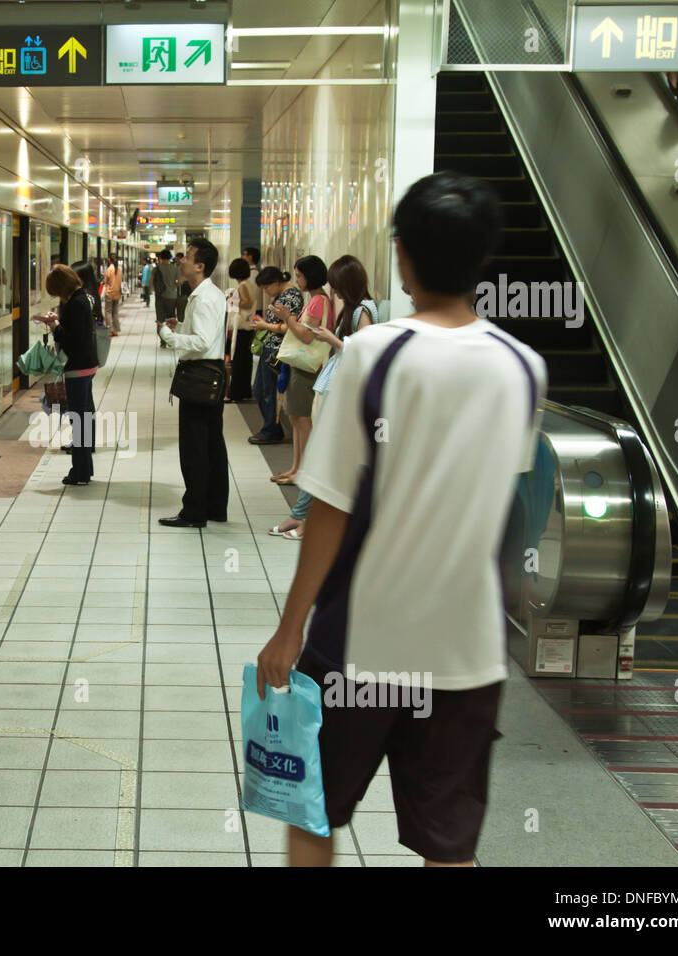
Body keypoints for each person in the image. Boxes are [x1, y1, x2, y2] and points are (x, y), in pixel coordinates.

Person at [256, 171, 547, 867]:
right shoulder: (523, 368)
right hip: (467, 653)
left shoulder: (373, 354)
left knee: (313, 817)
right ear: (483, 260)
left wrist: (288, 628)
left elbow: (329, 509)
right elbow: (502, 503)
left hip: (361, 645)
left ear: (404, 255)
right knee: (449, 844)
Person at [268, 254, 379, 540]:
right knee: (320, 454)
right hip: (335, 385)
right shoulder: (354, 309)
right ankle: (300, 515)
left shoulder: (361, 310)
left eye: (337, 285)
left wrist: (332, 340)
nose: (334, 291)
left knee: (324, 455)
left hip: (343, 388)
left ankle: (308, 519)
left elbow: (366, 350)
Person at [158, 238, 228, 528]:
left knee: (195, 447)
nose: (182, 261)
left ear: (200, 266)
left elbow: (201, 342)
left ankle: (194, 511)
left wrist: (168, 336)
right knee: (211, 444)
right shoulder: (205, 295)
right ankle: (214, 506)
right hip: (208, 374)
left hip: (200, 375)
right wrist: (182, 327)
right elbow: (202, 334)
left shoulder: (205, 298)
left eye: (187, 257)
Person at [269, 255, 333, 486]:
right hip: (302, 367)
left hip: (307, 368)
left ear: (310, 276)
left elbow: (306, 336)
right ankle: (296, 467)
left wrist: (288, 319)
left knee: (302, 419)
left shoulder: (318, 301)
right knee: (296, 418)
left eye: (299, 276)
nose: (296, 280)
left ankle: (302, 470)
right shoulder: (316, 300)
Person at [34, 265, 99, 485]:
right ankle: (85, 469)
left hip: (77, 368)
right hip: (87, 366)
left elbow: (71, 341)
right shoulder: (80, 299)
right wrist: (58, 322)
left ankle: (80, 473)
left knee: (78, 420)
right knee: (85, 416)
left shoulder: (75, 304)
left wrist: (54, 326)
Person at [247, 266, 292, 445]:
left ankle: (271, 430)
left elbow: (288, 326)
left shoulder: (290, 297)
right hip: (270, 348)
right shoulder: (281, 296)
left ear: (275, 282)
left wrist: (264, 325)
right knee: (261, 389)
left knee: (268, 391)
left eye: (266, 288)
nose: (266, 292)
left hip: (277, 350)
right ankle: (272, 427)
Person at [226, 257, 256, 403]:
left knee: (237, 360)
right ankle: (244, 390)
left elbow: (247, 302)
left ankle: (235, 392)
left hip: (242, 326)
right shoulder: (249, 284)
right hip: (248, 327)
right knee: (245, 360)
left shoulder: (243, 285)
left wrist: (231, 300)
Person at [152, 249, 180, 348]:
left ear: (160, 258)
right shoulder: (175, 268)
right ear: (170, 257)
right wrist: (173, 286)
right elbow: (179, 282)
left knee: (160, 319)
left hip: (160, 297)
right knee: (171, 319)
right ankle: (170, 340)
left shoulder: (156, 268)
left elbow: (151, 281)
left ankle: (162, 341)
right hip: (172, 297)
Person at [103, 252, 123, 336]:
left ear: (109, 259)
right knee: (115, 312)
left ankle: (110, 330)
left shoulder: (109, 269)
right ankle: (116, 330)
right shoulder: (120, 269)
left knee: (108, 311)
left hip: (109, 293)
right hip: (117, 293)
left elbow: (105, 281)